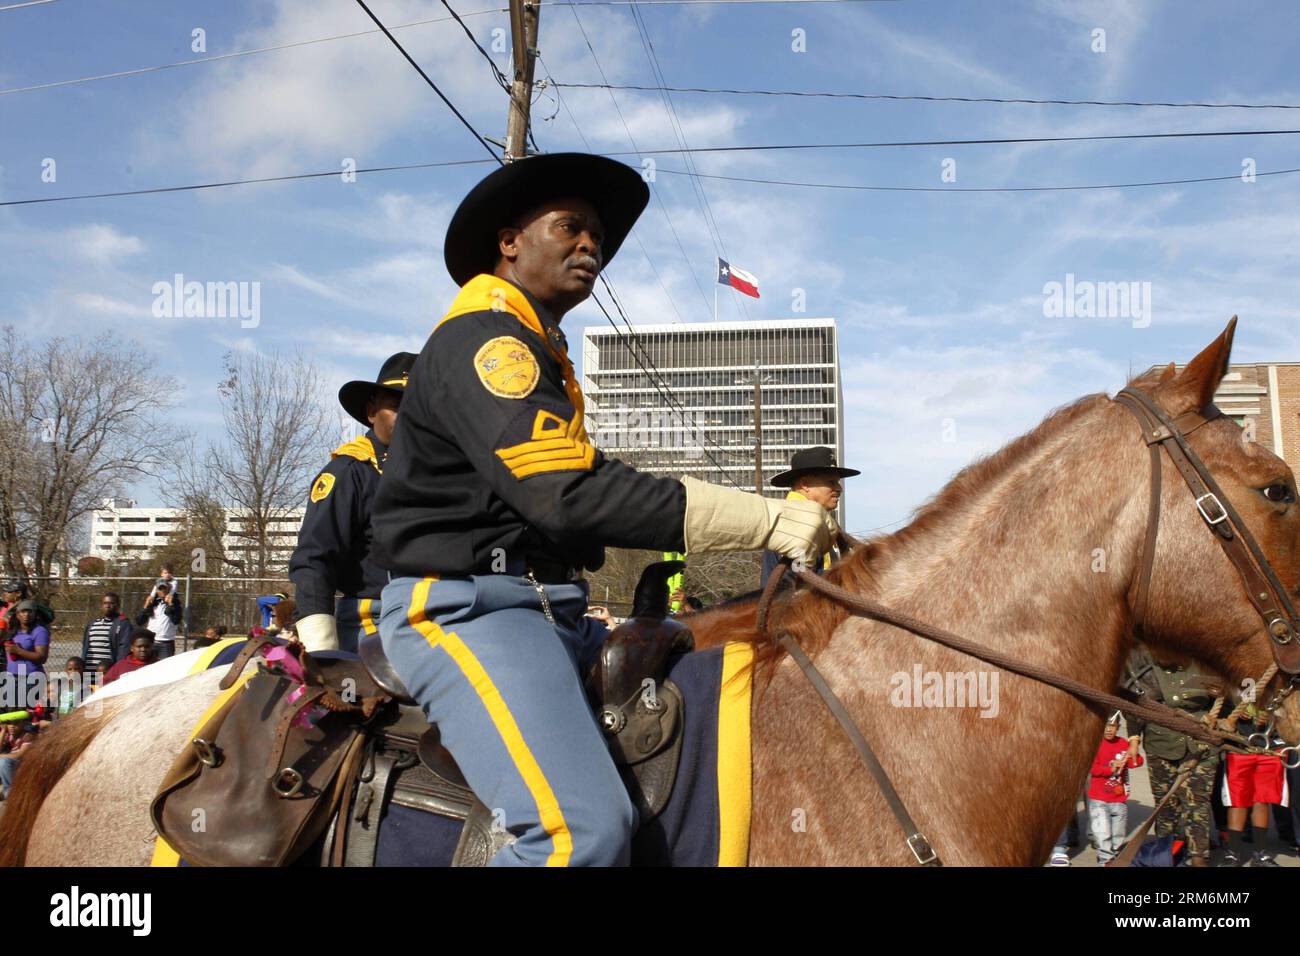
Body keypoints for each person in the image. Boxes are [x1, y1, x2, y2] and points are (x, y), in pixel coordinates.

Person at [370, 152, 835, 867]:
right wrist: (766, 519)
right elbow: (567, 495)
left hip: (548, 609)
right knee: (577, 837)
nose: (592, 245)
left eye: (600, 237)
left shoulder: (537, 344)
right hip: (468, 611)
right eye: (572, 227)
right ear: (510, 241)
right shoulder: (489, 343)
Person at [290, 352, 417, 654]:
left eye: (420, 408)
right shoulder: (349, 471)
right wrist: (321, 648)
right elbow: (314, 559)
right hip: (373, 623)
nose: (411, 418)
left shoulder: (440, 475)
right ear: (372, 411)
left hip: (437, 619)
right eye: (399, 407)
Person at [1124, 647, 1220, 867]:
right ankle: (1166, 855)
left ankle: (1198, 859)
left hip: (1200, 744)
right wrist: (1133, 741)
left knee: (1197, 804)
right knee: (1166, 808)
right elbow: (1134, 708)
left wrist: (1222, 702)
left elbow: (1232, 697)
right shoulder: (1147, 669)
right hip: (1160, 745)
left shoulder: (1203, 664)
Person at [760, 446, 859, 587]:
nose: (839, 488)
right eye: (831, 482)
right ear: (805, 484)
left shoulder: (817, 525)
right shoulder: (795, 524)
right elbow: (796, 583)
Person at [1220, 706, 1286, 867]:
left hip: (1271, 746)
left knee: (1262, 799)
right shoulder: (1235, 682)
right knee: (1237, 800)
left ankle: (1260, 853)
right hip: (1239, 744)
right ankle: (1233, 852)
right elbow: (1217, 701)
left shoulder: (1283, 682)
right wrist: (1235, 711)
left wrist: (1273, 716)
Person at [1087, 711, 1144, 865]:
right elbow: (1091, 768)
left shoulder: (1123, 743)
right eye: (1105, 726)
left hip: (1119, 798)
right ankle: (1106, 860)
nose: (1108, 729)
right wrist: (1110, 769)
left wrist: (1134, 755)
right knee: (1102, 833)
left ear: (1118, 727)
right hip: (1098, 798)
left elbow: (1135, 763)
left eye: (1112, 726)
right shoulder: (1095, 743)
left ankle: (1115, 854)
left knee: (1118, 834)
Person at [3, 599, 50, 712]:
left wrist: (19, 651)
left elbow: (42, 657)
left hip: (31, 678)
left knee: (25, 713)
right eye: (23, 611)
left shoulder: (40, 631)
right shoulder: (13, 631)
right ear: (17, 614)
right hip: (12, 676)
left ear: (35, 614)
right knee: (9, 712)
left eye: (30, 611)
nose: (26, 615)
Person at [81, 591, 133, 673]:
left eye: (111, 603)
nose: (108, 606)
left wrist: (117, 670)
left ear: (118, 605)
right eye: (105, 603)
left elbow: (124, 649)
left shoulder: (123, 624)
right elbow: (85, 647)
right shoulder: (92, 624)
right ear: (101, 606)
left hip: (107, 672)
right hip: (88, 670)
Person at [136, 582, 182, 658]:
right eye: (160, 589)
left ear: (169, 589)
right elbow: (139, 621)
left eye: (165, 588)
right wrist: (146, 605)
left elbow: (176, 620)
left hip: (166, 643)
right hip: (151, 641)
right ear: (157, 590)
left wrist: (170, 605)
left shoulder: (175, 603)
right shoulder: (153, 603)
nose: (163, 591)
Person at [0, 718, 36, 798]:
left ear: (22, 723)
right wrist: (3, 731)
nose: (12, 726)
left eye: (16, 723)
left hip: (23, 765)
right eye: (9, 723)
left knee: (3, 762)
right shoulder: (9, 735)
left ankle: (10, 793)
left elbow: (19, 755)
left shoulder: (28, 735)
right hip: (11, 765)